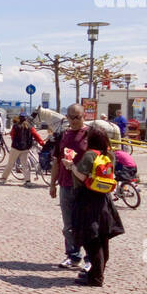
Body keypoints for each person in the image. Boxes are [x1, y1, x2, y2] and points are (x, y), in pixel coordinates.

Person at [66, 127, 125, 287]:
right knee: (102, 238)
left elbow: (82, 176)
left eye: (87, 138)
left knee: (91, 240)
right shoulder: (109, 155)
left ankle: (95, 277)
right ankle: (96, 273)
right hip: (104, 200)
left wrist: (71, 166)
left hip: (87, 199)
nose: (84, 140)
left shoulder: (90, 155)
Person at [48, 104, 91, 271]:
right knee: (68, 225)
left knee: (87, 223)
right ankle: (73, 256)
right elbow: (57, 161)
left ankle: (90, 257)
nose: (73, 120)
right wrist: (52, 184)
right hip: (66, 185)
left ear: (84, 116)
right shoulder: (63, 135)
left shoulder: (90, 134)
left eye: (77, 117)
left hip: (85, 187)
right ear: (66, 117)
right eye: (70, 117)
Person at [0, 115, 45, 184]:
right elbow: (36, 136)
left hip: (15, 147)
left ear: (19, 119)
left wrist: (14, 141)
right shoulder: (30, 127)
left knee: (10, 163)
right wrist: (42, 143)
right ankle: (27, 180)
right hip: (25, 148)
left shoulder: (15, 126)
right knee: (25, 164)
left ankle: (4, 178)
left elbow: (12, 135)